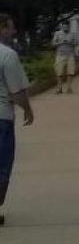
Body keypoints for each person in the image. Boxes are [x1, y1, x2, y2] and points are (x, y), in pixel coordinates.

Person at [0, 14, 34, 226]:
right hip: (2, 117)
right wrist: (28, 109)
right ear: (1, 28)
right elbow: (16, 91)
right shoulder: (7, 55)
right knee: (2, 166)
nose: (13, 33)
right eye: (10, 28)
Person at [52, 23, 78, 95]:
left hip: (70, 55)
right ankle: (59, 88)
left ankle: (69, 88)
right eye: (64, 27)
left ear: (69, 27)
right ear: (62, 27)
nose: (65, 28)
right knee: (59, 72)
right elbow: (53, 43)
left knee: (70, 72)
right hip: (60, 55)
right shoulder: (57, 33)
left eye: (67, 27)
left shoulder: (73, 34)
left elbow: (76, 43)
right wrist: (61, 42)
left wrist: (69, 42)